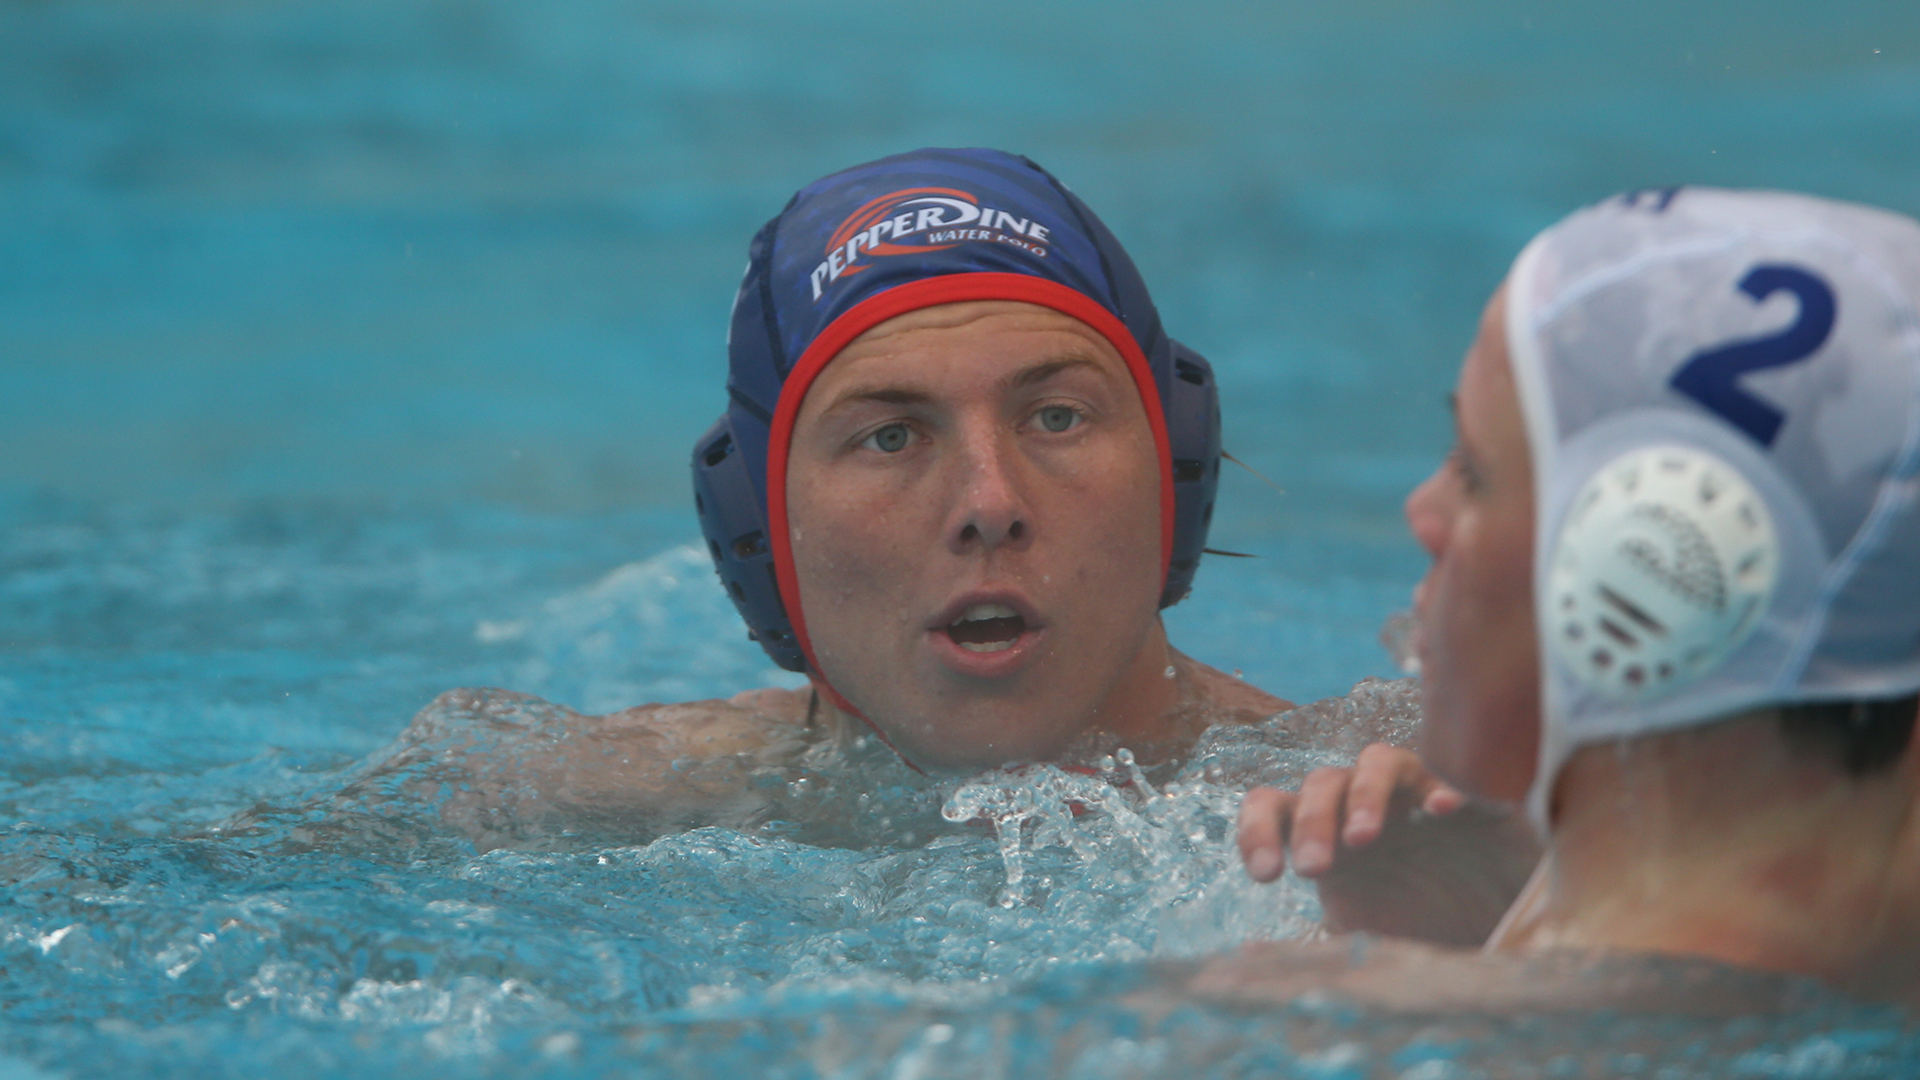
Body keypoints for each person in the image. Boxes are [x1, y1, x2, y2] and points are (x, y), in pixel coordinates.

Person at [353, 149, 1301, 847]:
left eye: (1056, 417)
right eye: (890, 437)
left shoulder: (1358, 805)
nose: (990, 500)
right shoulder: (583, 803)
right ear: (758, 530)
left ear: (1177, 467)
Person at [1234, 187, 1920, 1005]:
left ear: (1651, 578)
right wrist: (1509, 916)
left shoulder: (1273, 1030)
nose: (1424, 511)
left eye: (1473, 472)